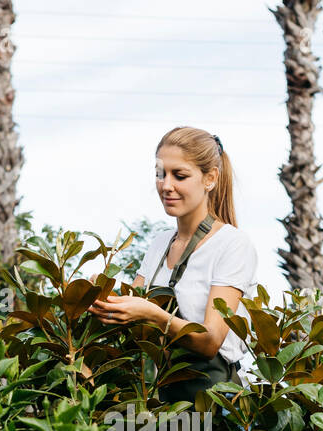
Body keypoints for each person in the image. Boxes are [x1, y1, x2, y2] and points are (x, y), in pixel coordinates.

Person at [88, 126, 257, 407]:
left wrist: (153, 314)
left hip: (217, 404)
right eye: (160, 174)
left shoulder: (232, 244)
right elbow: (132, 307)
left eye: (179, 176)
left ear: (210, 178)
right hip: (167, 400)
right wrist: (101, 295)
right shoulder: (159, 244)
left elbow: (210, 341)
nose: (166, 185)